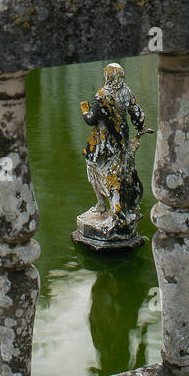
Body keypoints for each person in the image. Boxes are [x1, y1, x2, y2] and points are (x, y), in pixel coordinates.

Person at [76, 63, 149, 249]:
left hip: (102, 141)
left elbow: (91, 120)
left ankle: (104, 205)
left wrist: (84, 109)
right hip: (120, 138)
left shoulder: (102, 95)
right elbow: (137, 114)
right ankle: (115, 206)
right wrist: (140, 128)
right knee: (117, 171)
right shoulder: (126, 92)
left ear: (108, 76)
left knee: (94, 169)